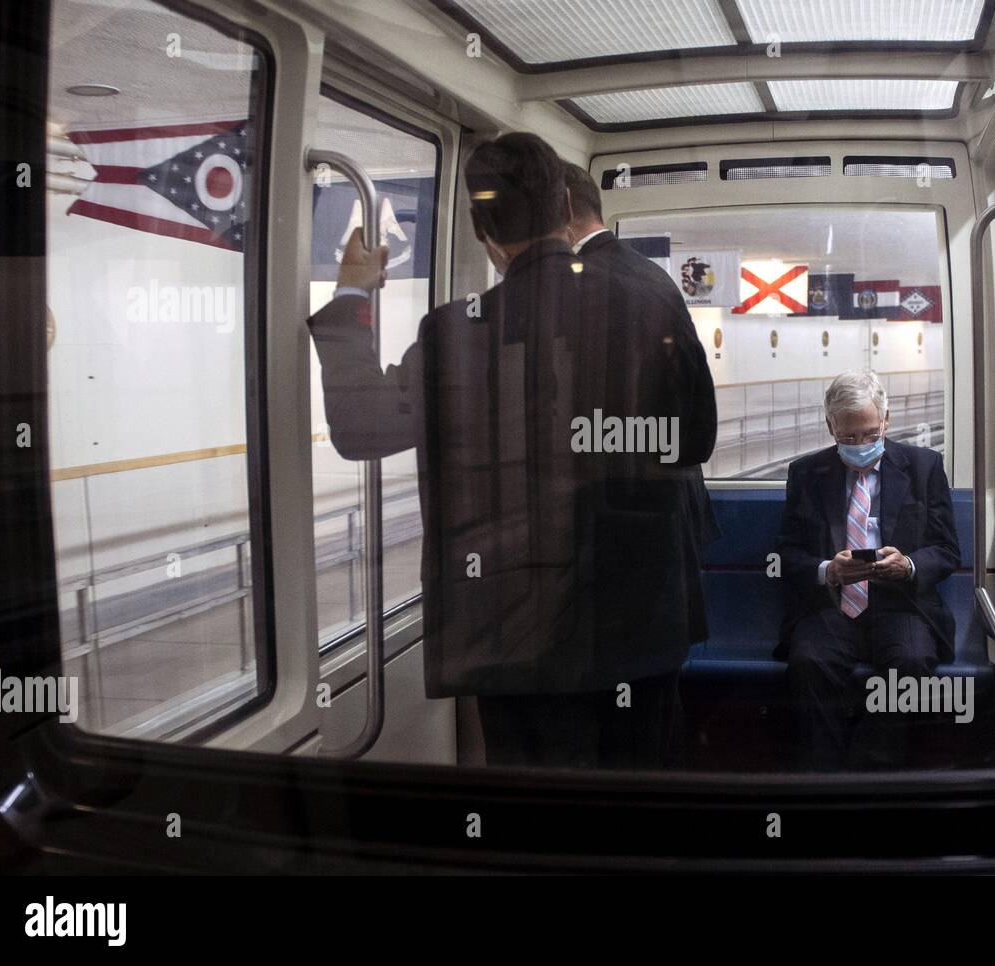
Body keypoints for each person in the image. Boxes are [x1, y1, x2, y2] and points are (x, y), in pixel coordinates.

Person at [307, 133, 716, 770]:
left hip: (511, 631)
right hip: (637, 617)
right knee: (642, 800)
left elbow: (362, 428)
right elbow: (695, 439)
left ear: (479, 227)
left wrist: (354, 295)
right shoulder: (650, 301)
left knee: (533, 810)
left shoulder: (455, 330)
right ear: (564, 204)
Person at [775, 369, 960, 769]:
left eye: (871, 434)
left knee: (910, 664)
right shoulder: (806, 474)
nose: (862, 445)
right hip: (831, 604)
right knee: (809, 663)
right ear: (830, 428)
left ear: (887, 420)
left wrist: (908, 565)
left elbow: (946, 550)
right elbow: (787, 556)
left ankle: (872, 767)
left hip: (901, 603)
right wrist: (829, 570)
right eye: (849, 437)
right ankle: (823, 773)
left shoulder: (924, 467)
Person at [563, 160, 721, 627]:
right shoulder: (648, 275)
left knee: (624, 683)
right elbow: (695, 427)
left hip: (624, 532)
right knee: (652, 683)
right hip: (661, 520)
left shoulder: (584, 285)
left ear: (565, 206)